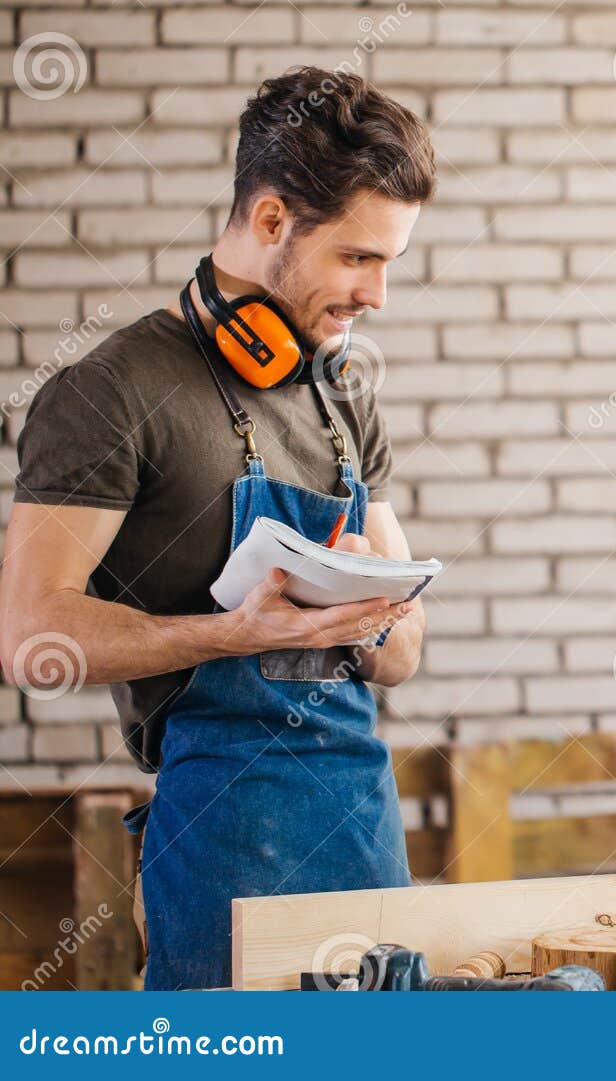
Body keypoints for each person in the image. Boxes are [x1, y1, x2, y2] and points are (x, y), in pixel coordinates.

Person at [0, 67, 436, 989]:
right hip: (222, 844)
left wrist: (369, 608)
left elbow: (403, 655)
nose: (379, 293)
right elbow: (29, 637)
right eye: (359, 258)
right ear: (272, 219)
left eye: (390, 262)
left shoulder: (344, 395)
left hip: (363, 829)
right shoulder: (110, 392)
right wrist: (233, 633)